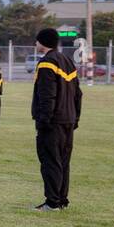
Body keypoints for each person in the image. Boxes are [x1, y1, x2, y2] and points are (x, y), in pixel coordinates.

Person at [31, 28, 82, 211]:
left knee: (50, 161)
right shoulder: (68, 61)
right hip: (68, 119)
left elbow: (47, 95)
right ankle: (61, 199)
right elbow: (78, 94)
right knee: (63, 161)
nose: (35, 44)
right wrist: (75, 117)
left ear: (42, 42)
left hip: (52, 122)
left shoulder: (47, 63)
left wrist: (43, 121)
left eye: (36, 41)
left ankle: (52, 202)